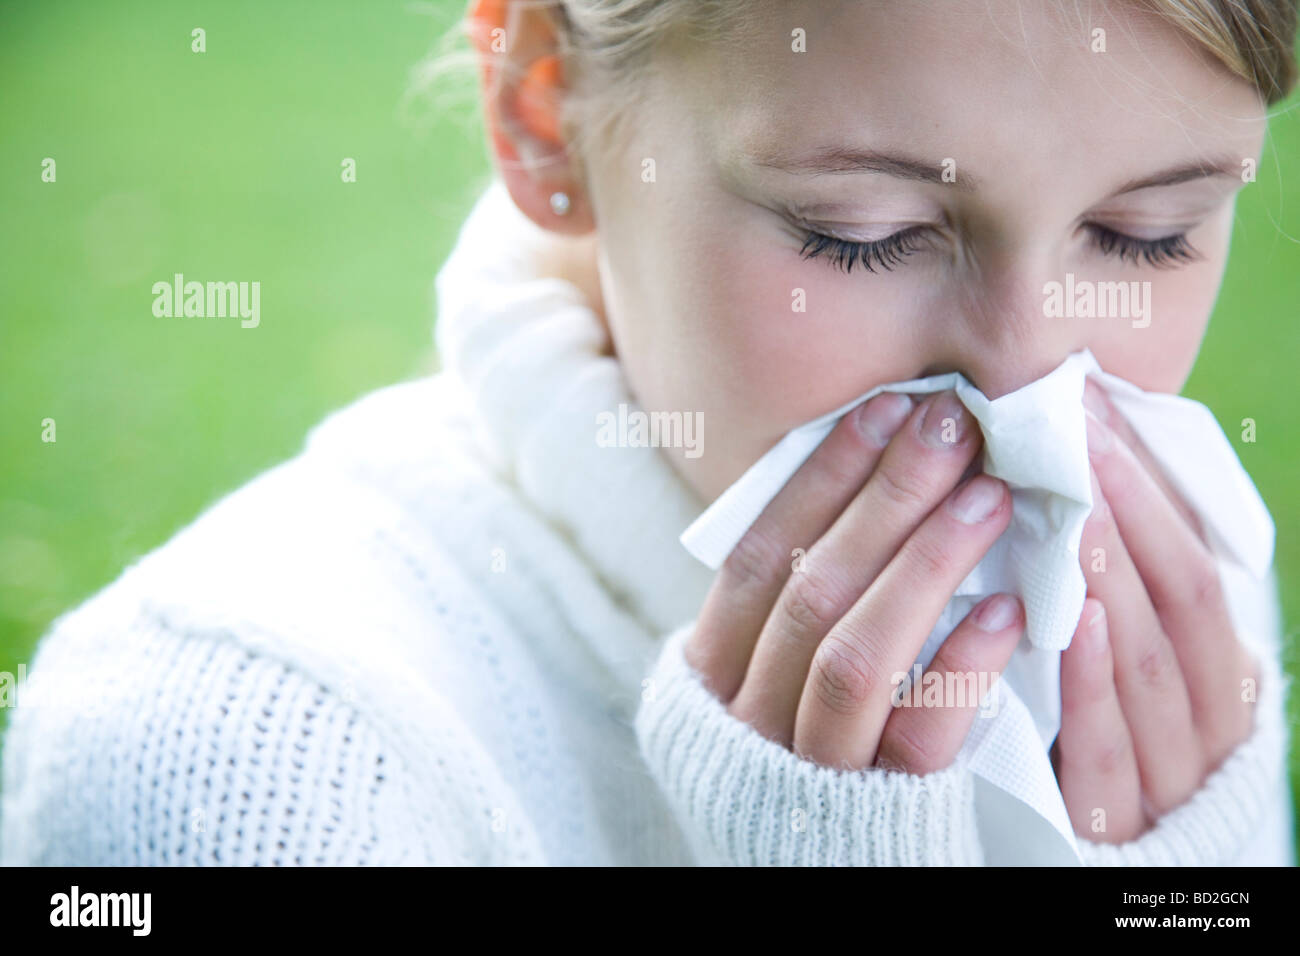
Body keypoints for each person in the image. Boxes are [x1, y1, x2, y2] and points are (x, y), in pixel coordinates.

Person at [1, 0, 1295, 865]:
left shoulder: (1156, 661)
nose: (1024, 377)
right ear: (541, 109)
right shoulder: (236, 744)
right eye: (862, 233)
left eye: (1148, 235)